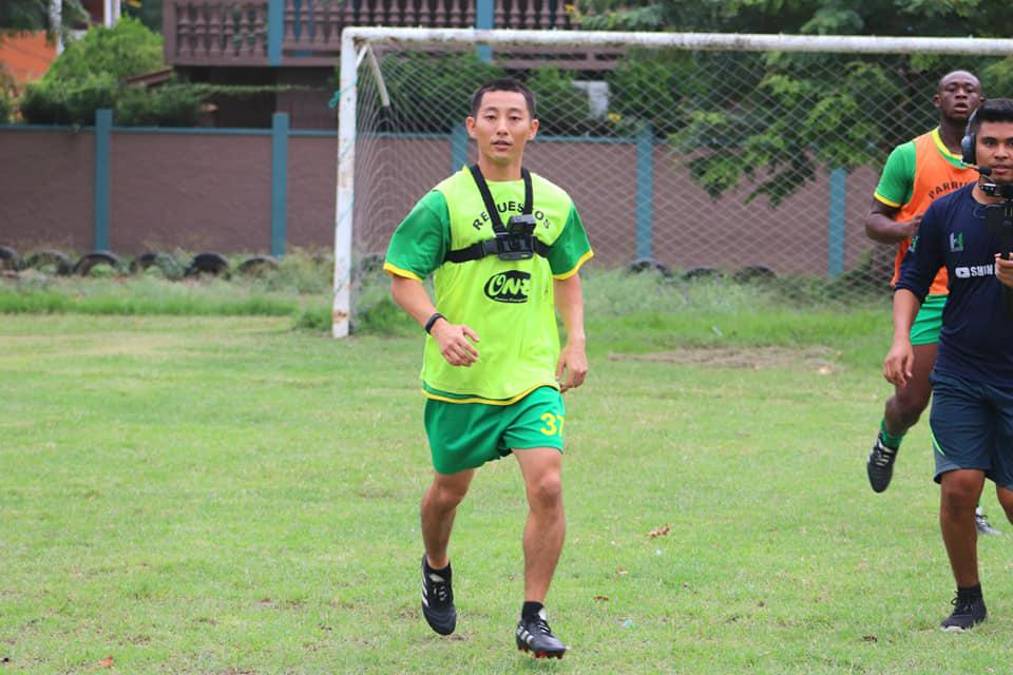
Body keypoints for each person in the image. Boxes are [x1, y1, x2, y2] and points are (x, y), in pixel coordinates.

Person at [383, 78, 593, 658]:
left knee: (547, 482)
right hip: (462, 381)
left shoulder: (554, 201)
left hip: (530, 376)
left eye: (515, 117)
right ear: (471, 127)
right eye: (491, 116)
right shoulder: (443, 202)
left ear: (533, 129)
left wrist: (575, 340)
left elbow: (569, 273)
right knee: (447, 494)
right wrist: (440, 326)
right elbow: (403, 276)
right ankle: (435, 565)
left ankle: (533, 616)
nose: (503, 126)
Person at [884, 97, 1013, 630]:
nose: (1001, 154)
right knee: (961, 486)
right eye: (990, 143)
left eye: (1011, 144)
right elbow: (911, 279)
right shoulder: (946, 211)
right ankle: (968, 599)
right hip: (960, 370)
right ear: (971, 147)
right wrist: (901, 340)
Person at [863, 70, 1000, 533]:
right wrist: (906, 228)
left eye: (970, 90)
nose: (961, 95)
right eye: (952, 89)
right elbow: (874, 220)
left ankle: (971, 496)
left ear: (981, 102)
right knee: (911, 399)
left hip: (990, 294)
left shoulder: (999, 155)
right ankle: (888, 439)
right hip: (930, 295)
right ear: (937, 99)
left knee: (982, 396)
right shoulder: (910, 156)